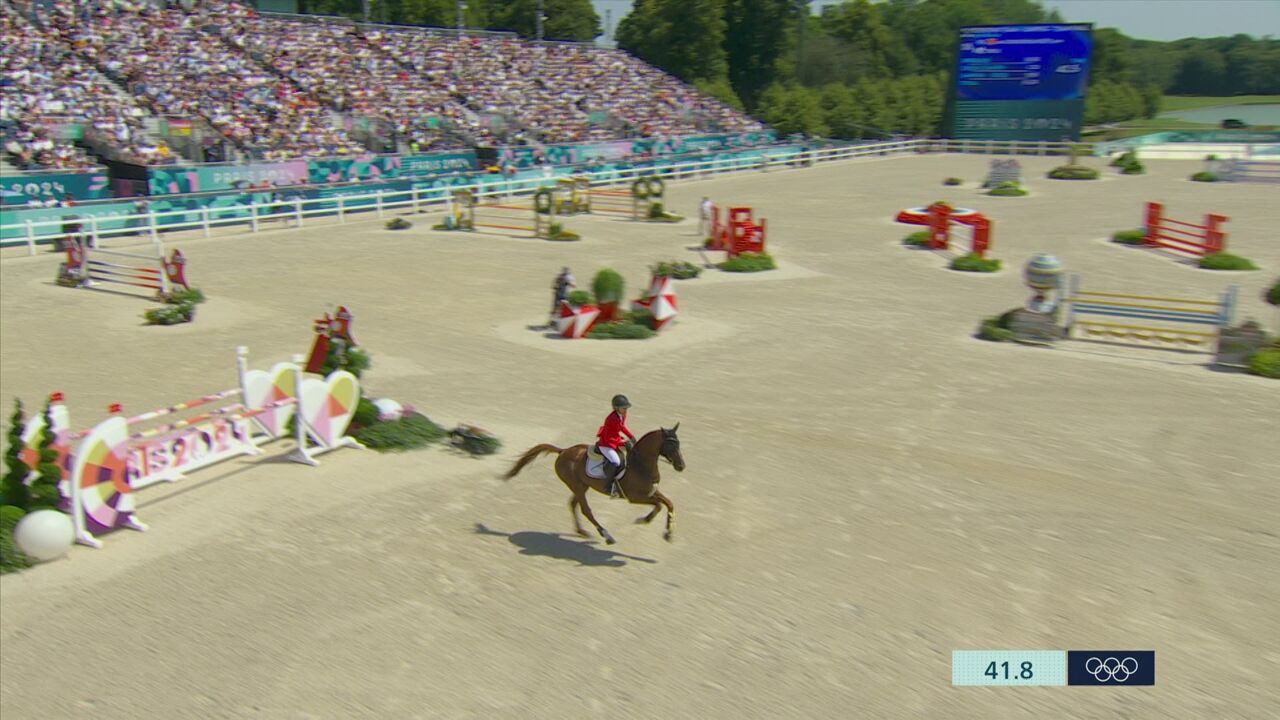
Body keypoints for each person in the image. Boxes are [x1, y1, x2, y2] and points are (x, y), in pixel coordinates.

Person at [596, 395, 636, 498]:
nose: (626, 410)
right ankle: (609, 486)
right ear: (617, 408)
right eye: (624, 408)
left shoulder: (622, 415)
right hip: (606, 444)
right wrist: (622, 442)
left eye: (626, 408)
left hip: (614, 439)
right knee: (615, 461)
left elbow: (621, 427)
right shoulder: (612, 419)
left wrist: (631, 437)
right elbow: (609, 438)